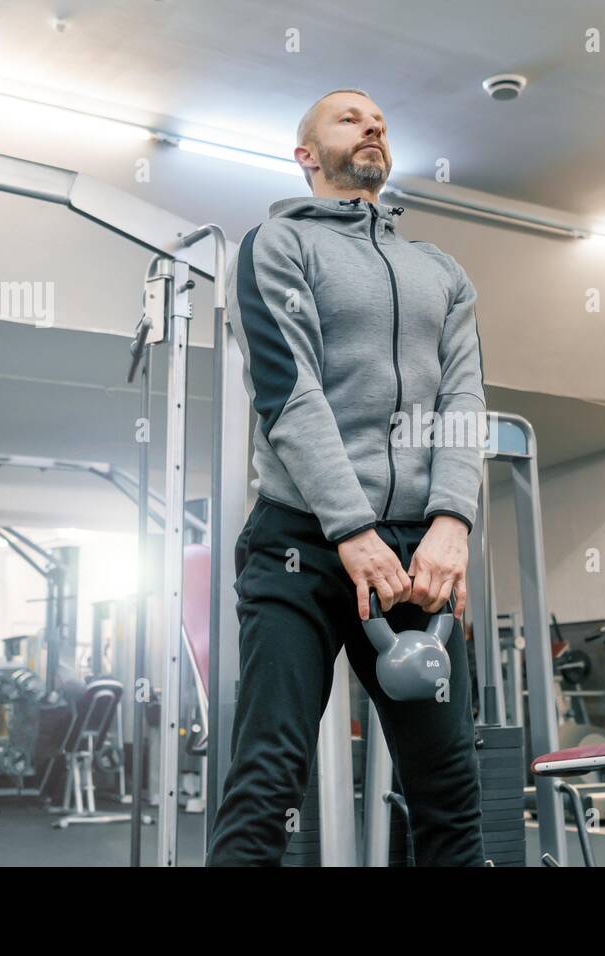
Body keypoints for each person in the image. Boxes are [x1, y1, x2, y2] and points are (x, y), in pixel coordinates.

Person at [206, 89, 487, 866]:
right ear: (306, 154)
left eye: (381, 123)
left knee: (450, 792)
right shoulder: (277, 245)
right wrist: (351, 529)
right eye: (349, 118)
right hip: (300, 542)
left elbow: (464, 400)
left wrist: (452, 521)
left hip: (418, 555)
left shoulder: (441, 271)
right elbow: (288, 393)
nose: (372, 127)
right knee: (269, 778)